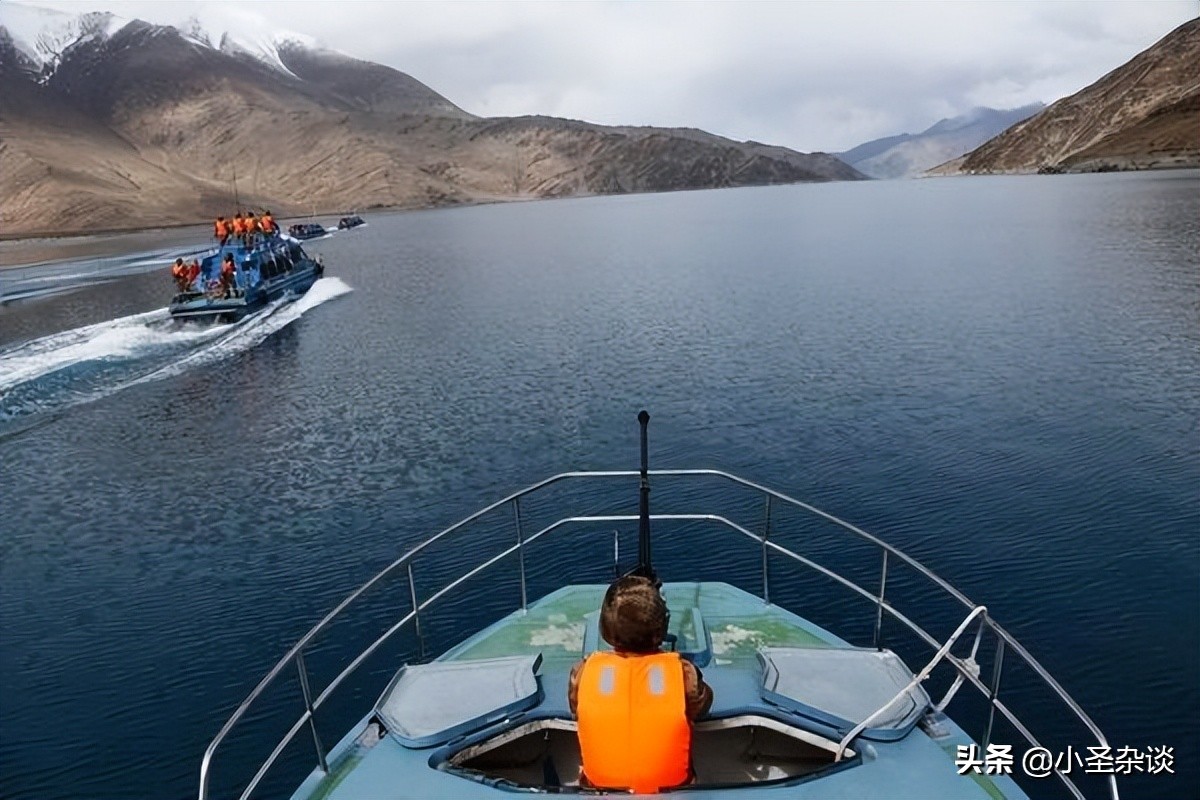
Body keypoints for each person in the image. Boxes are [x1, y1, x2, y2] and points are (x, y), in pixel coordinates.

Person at [569, 575, 713, 793]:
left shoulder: (584, 672)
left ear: (605, 629)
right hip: (672, 791)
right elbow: (703, 704)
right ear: (661, 628)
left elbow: (575, 708)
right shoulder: (684, 674)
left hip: (600, 790)